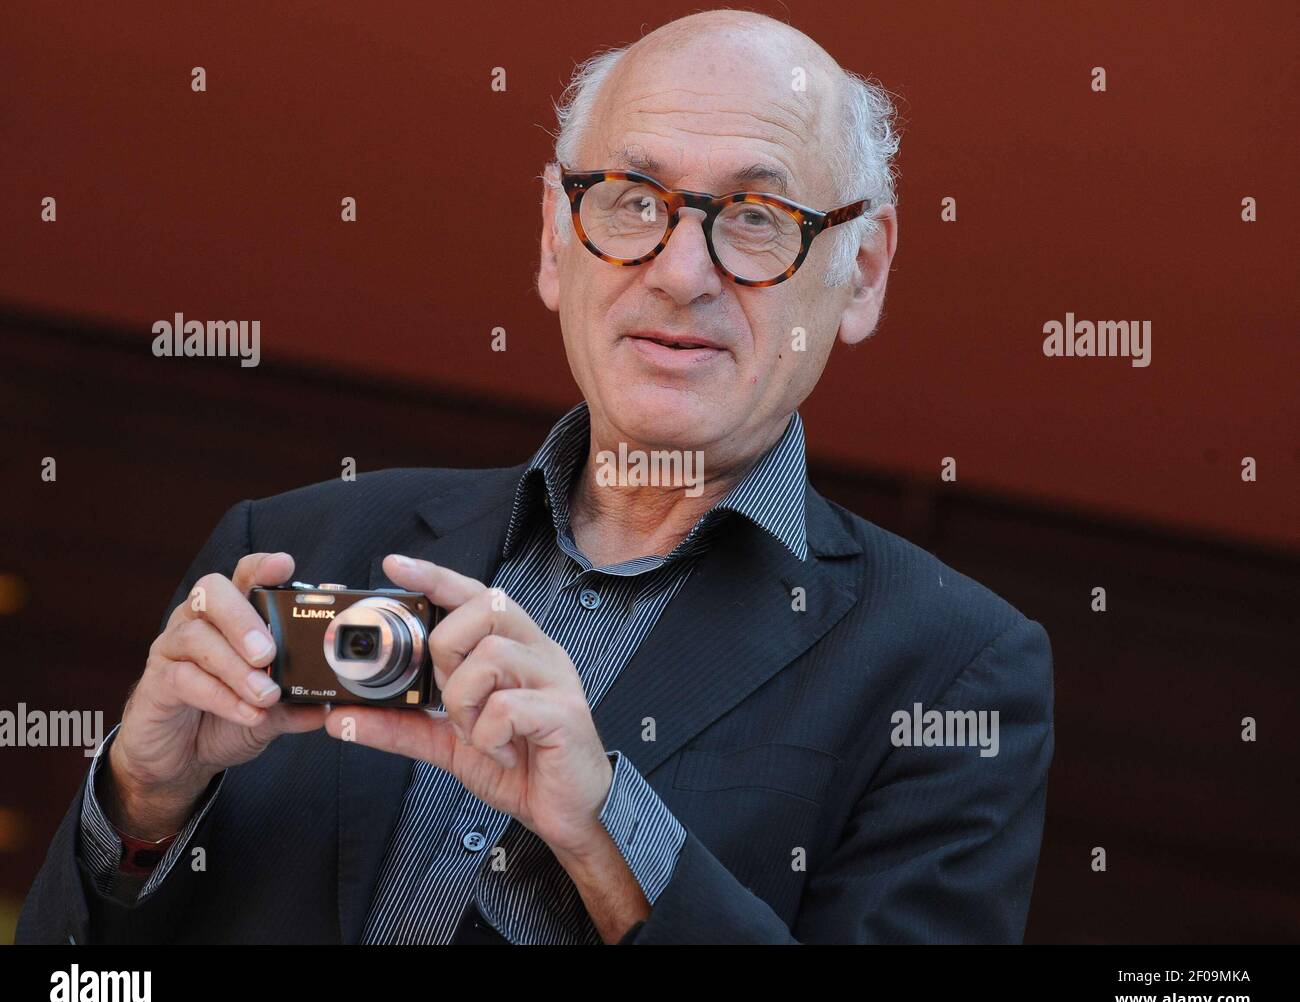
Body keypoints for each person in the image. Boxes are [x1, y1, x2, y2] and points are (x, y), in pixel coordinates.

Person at [18, 9, 1053, 944]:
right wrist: (142, 803)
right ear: (557, 239)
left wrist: (604, 826)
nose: (680, 272)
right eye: (631, 200)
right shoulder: (287, 547)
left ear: (860, 272)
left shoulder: (952, 669)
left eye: (752, 217)